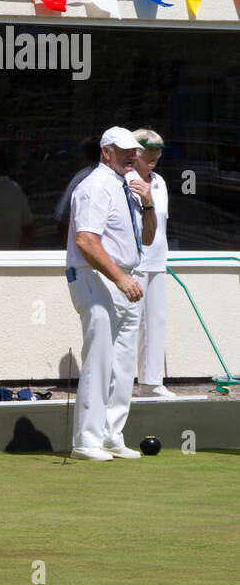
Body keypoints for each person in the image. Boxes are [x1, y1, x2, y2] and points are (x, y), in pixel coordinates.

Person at [65, 126, 158, 461]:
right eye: (124, 151)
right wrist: (120, 278)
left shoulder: (129, 189)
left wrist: (147, 204)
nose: (132, 156)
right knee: (100, 357)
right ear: (107, 152)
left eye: (134, 150)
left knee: (122, 363)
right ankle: (86, 442)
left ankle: (110, 435)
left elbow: (146, 240)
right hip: (96, 278)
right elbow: (86, 241)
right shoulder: (94, 188)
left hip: (126, 279)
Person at [132, 128, 173, 398]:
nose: (154, 157)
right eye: (148, 152)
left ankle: (151, 382)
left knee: (156, 320)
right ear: (134, 153)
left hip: (158, 259)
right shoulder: (126, 182)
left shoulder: (159, 181)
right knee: (129, 323)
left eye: (157, 152)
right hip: (133, 262)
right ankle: (120, 382)